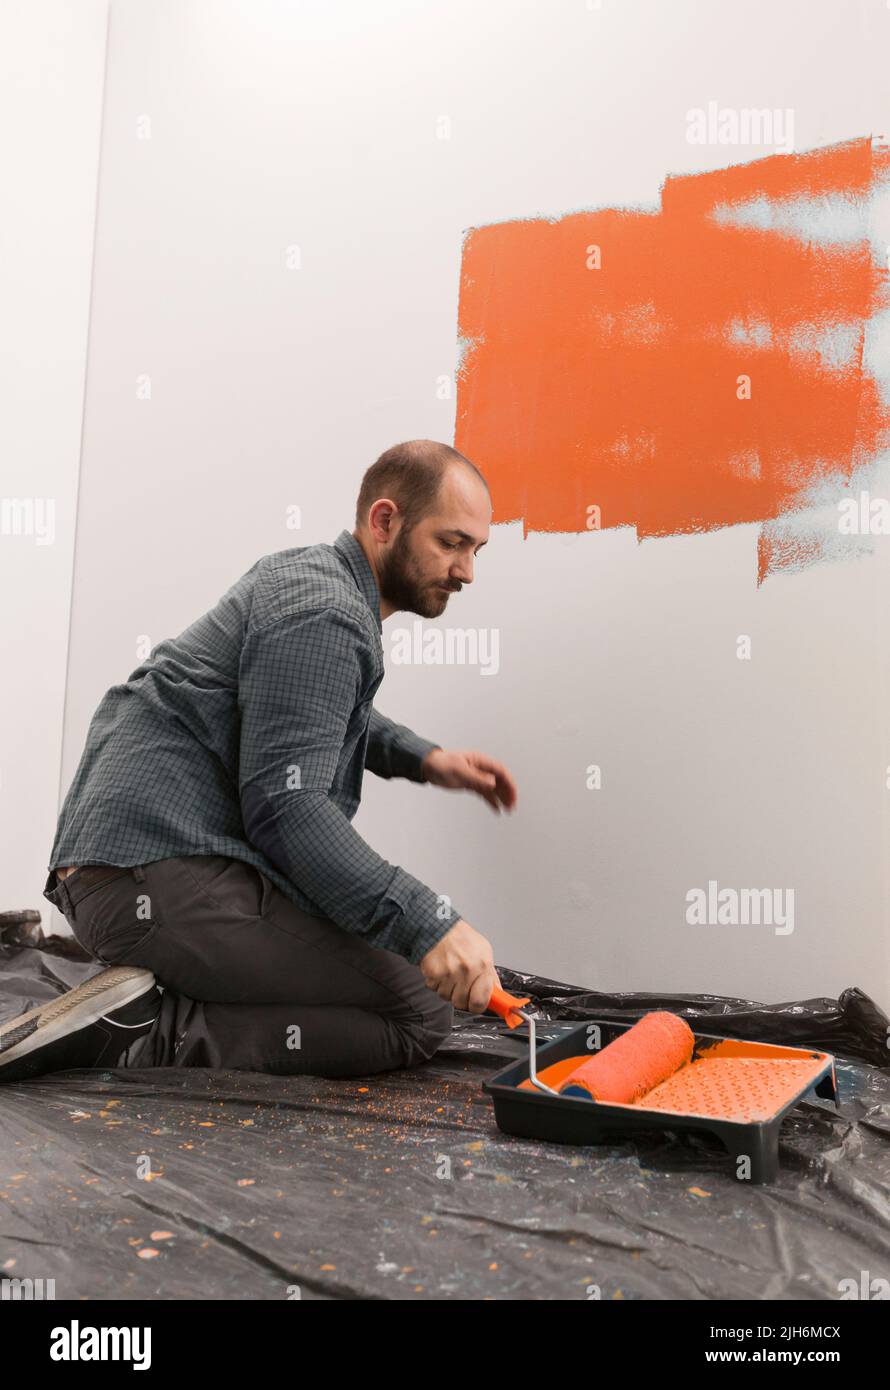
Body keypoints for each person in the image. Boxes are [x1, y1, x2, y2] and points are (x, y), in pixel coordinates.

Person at [0, 440, 518, 1083]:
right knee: (418, 1009)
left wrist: (424, 758)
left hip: (122, 869)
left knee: (384, 965)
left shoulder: (307, 576)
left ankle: (160, 999)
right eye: (452, 543)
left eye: (477, 549)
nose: (467, 570)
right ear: (385, 520)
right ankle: (147, 1035)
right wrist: (428, 923)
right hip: (149, 879)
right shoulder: (325, 613)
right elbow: (286, 810)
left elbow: (304, 704)